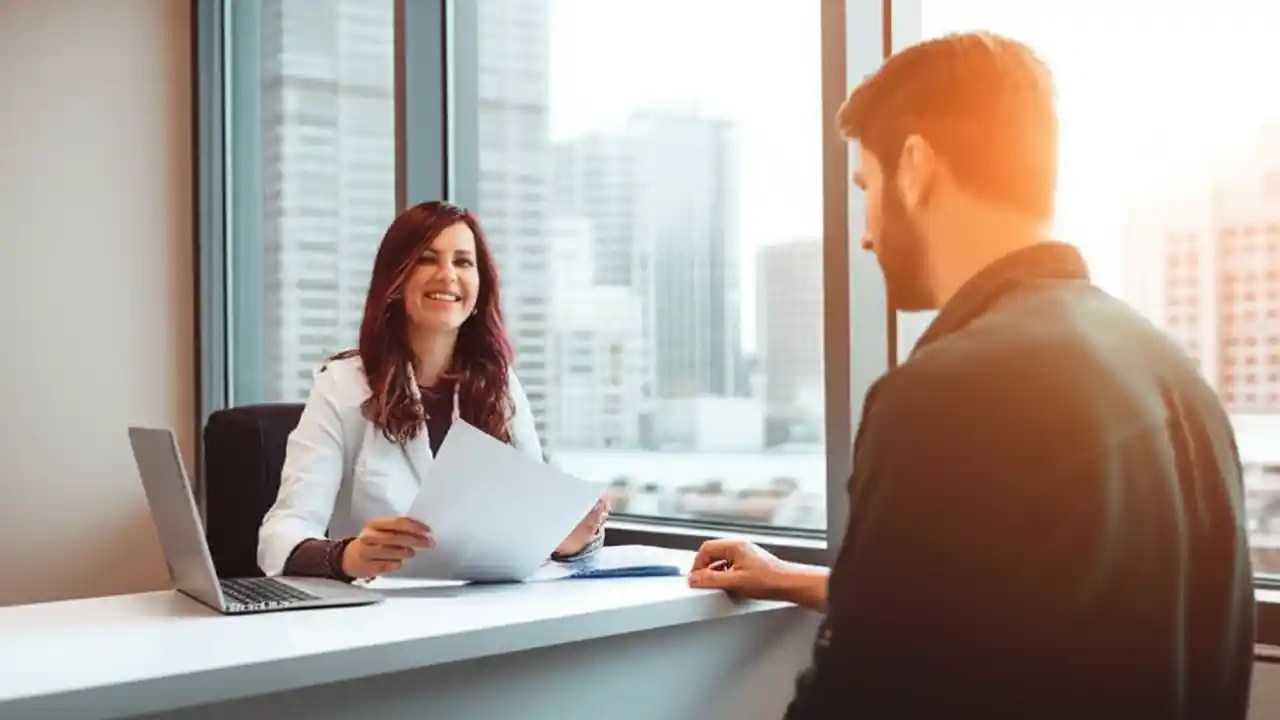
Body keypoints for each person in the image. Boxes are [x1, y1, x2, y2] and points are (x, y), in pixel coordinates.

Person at [689, 32, 1254, 718]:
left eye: (866, 186)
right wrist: (800, 579)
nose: (865, 234)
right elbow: (1044, 617)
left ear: (917, 167)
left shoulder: (944, 395)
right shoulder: (1174, 376)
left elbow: (866, 694)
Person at [258, 201, 607, 581]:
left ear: (480, 284)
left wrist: (566, 539)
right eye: (427, 259)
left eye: (463, 262)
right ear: (395, 281)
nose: (447, 275)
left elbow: (529, 523)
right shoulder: (342, 384)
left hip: (487, 614)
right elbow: (281, 534)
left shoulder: (499, 383)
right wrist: (347, 556)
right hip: (379, 615)